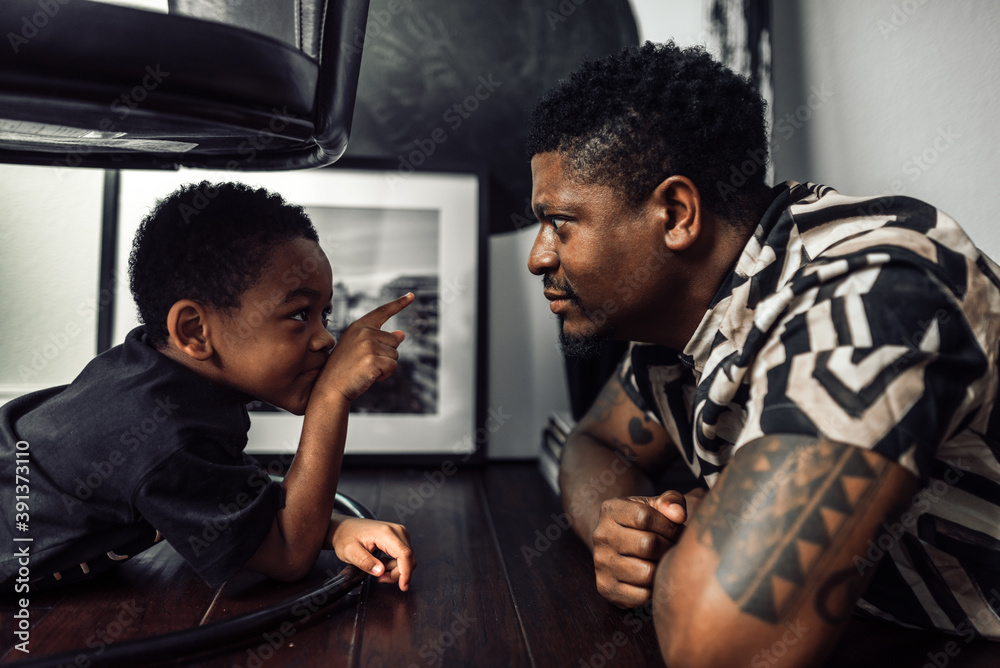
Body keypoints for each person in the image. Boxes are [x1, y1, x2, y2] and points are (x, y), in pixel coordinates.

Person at [525, 41, 1000, 666]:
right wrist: (615, 532)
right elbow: (596, 443)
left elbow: (716, 644)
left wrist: (709, 531)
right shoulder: (684, 325)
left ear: (675, 213)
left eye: (560, 221)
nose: (539, 256)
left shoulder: (870, 291)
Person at [0, 182, 416, 593]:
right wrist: (331, 398)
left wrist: (335, 529)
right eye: (298, 314)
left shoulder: (157, 371)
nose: (326, 339)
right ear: (195, 330)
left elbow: (231, 502)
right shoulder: (159, 434)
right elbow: (287, 554)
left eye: (324, 314)